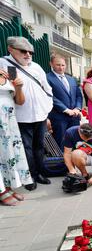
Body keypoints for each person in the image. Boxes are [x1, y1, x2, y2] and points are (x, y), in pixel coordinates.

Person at [0, 36, 53, 191]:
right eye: (23, 51)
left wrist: (47, 110)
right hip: (21, 117)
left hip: (40, 115)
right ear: (11, 49)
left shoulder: (36, 67)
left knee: (39, 146)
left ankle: (39, 174)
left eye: (30, 52)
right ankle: (29, 177)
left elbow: (47, 88)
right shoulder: (6, 65)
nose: (28, 55)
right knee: (25, 148)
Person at [0, 68, 32, 205]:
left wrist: (18, 88)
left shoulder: (7, 72)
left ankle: (6, 187)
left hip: (9, 121)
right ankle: (1, 190)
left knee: (8, 154)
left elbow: (20, 101)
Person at [47, 54, 83, 149]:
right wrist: (65, 109)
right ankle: (62, 163)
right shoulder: (47, 78)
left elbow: (78, 95)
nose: (61, 67)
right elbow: (50, 97)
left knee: (75, 141)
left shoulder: (71, 79)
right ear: (51, 64)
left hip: (74, 116)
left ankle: (73, 162)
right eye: (58, 65)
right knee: (61, 142)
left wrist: (77, 108)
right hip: (59, 117)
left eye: (63, 65)